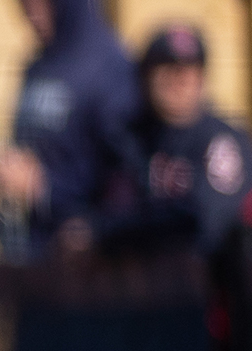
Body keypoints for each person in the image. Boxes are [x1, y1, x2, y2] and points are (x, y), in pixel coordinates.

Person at [0, 0, 137, 261]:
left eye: (41, 4)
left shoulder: (109, 68)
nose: (31, 14)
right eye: (25, 4)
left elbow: (126, 176)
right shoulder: (36, 65)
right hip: (34, 251)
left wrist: (45, 188)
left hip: (87, 261)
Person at [92, 24, 252, 256]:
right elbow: (106, 207)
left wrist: (115, 230)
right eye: (167, 69)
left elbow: (205, 226)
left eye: (188, 70)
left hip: (206, 281)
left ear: (202, 79)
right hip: (139, 279)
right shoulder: (128, 137)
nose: (178, 81)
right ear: (145, 77)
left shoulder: (223, 141)